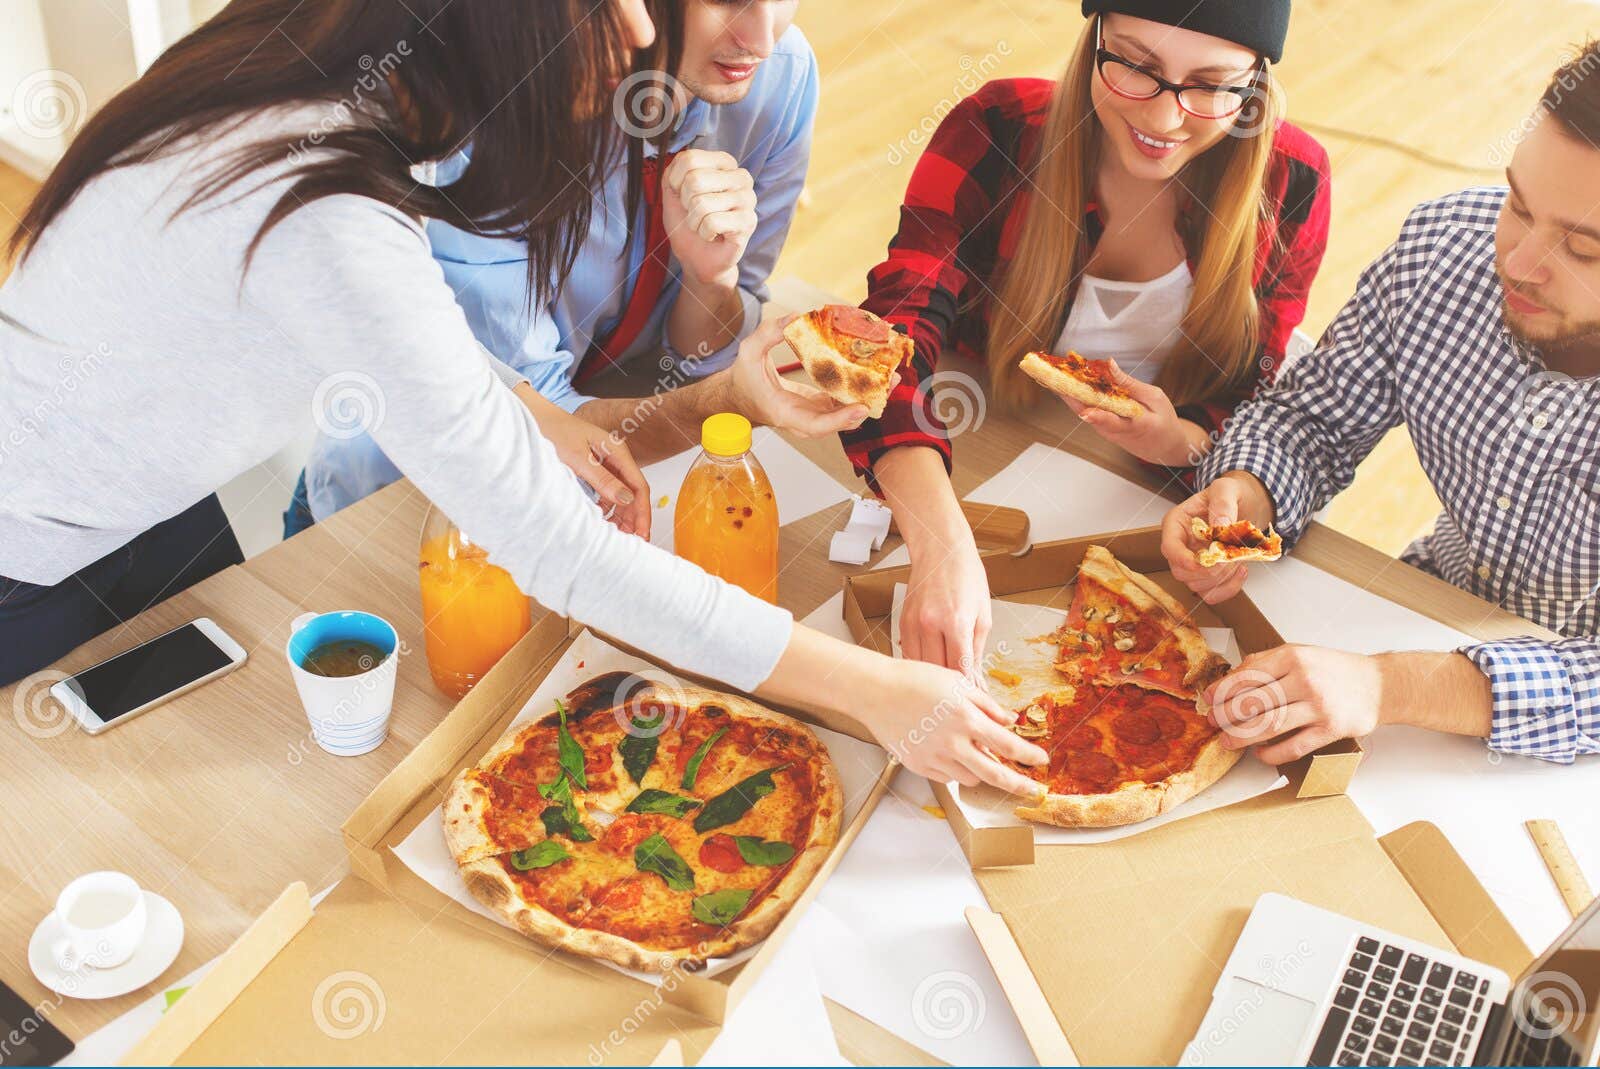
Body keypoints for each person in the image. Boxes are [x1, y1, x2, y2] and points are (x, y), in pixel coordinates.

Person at [0, 0, 1043, 796]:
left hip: (150, 492)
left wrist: (525, 410)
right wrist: (871, 689)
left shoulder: (307, 80)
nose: (636, 28)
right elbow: (561, 552)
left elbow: (371, 318)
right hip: (27, 552)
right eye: (602, 2)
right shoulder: (322, 202)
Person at [844, 0, 1329, 676]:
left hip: (1144, 513)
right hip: (974, 450)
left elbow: (1257, 412)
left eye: (1212, 85)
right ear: (1095, 37)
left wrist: (1181, 443)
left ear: (1255, 85)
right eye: (1135, 65)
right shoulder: (999, 128)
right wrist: (940, 539)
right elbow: (889, 337)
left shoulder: (1294, 179)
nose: (1162, 119)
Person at [1161, 42, 1600, 766]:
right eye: (1519, 206)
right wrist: (1247, 493)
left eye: (1583, 251)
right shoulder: (1443, 251)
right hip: (1421, 611)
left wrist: (1393, 685)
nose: (1517, 264)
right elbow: (1312, 418)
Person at [292, 0, 845, 530]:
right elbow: (537, 423)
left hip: (609, 457)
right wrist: (726, 405)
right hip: (403, 498)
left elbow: (702, 356)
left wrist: (711, 280)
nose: (762, 39)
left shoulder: (781, 77)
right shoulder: (498, 113)